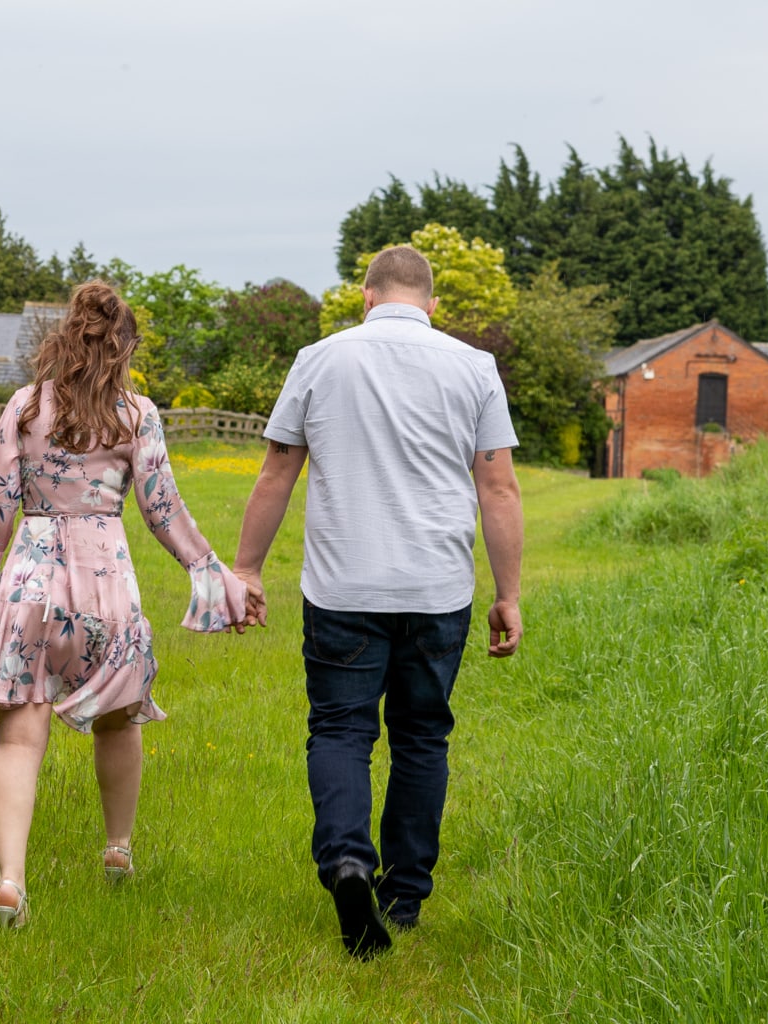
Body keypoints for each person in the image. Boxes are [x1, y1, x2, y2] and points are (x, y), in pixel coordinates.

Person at [232, 245, 524, 959]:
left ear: (365, 299)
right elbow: (500, 489)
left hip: (342, 585)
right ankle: (403, 898)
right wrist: (508, 594)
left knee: (340, 731)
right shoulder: (473, 367)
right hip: (438, 589)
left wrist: (246, 567)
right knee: (422, 737)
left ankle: (346, 862)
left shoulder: (319, 359)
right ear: (431, 305)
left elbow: (277, 472)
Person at [0, 280, 248, 929]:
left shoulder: (25, 406)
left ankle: (10, 882)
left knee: (19, 737)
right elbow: (162, 510)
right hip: (104, 583)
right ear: (123, 349)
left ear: (67, 337)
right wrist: (210, 571)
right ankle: (117, 849)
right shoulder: (136, 416)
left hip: (31, 579)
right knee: (120, 721)